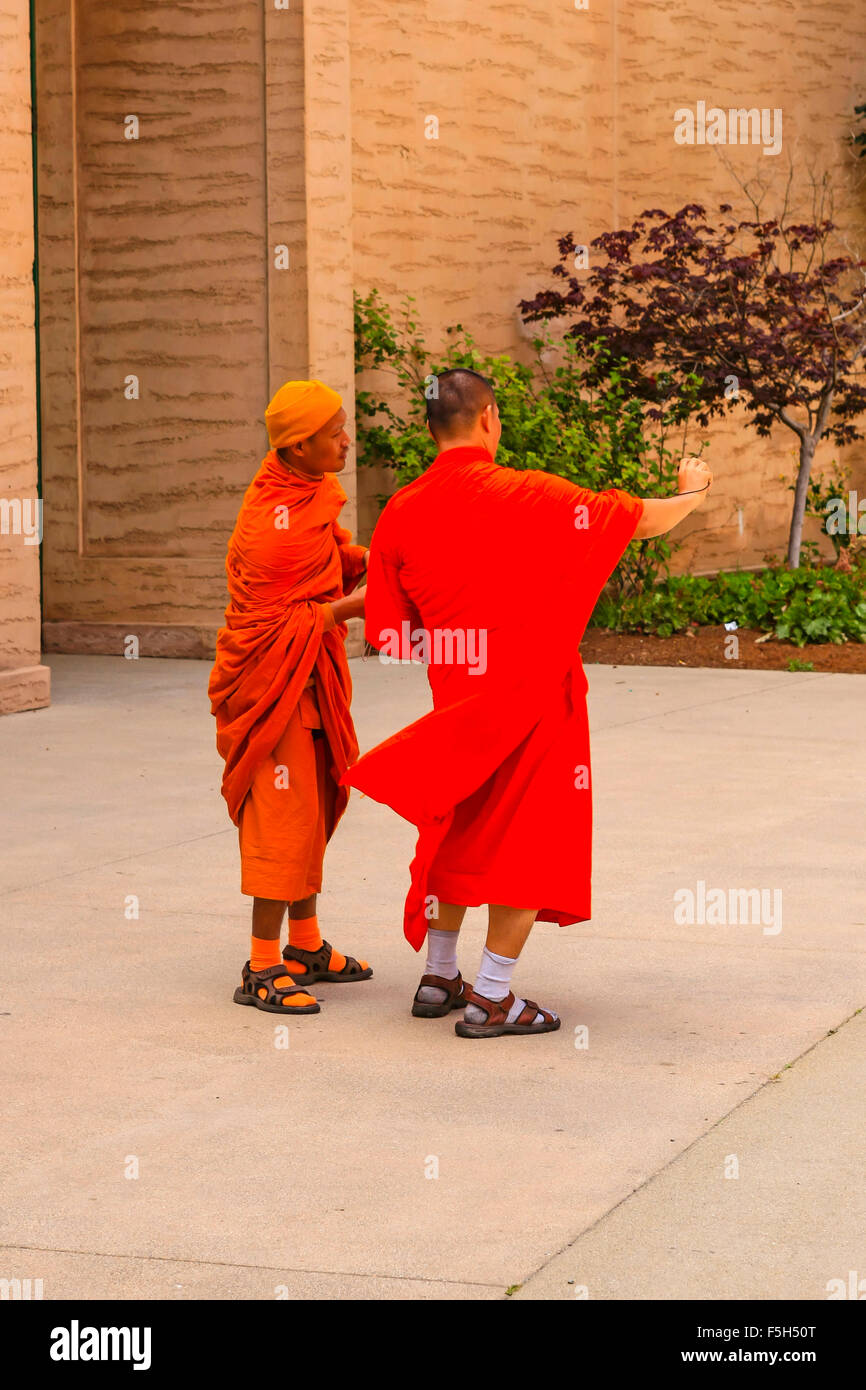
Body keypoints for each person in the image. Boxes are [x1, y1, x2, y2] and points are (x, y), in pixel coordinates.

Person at [342, 368, 712, 1038]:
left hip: (458, 707)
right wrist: (693, 492)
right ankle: (492, 996)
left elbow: (390, 632)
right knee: (526, 842)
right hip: (535, 700)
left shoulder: (401, 511)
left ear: (431, 429)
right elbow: (639, 520)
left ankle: (439, 975)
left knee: (455, 832)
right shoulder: (528, 494)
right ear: (489, 418)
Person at [209, 379, 372, 1015]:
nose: (347, 440)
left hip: (309, 680)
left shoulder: (307, 494)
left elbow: (336, 559)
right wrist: (349, 610)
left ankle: (303, 946)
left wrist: (382, 562)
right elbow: (281, 622)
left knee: (312, 809)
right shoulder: (270, 525)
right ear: (299, 446)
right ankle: (260, 965)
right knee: (280, 821)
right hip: (270, 685)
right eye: (336, 433)